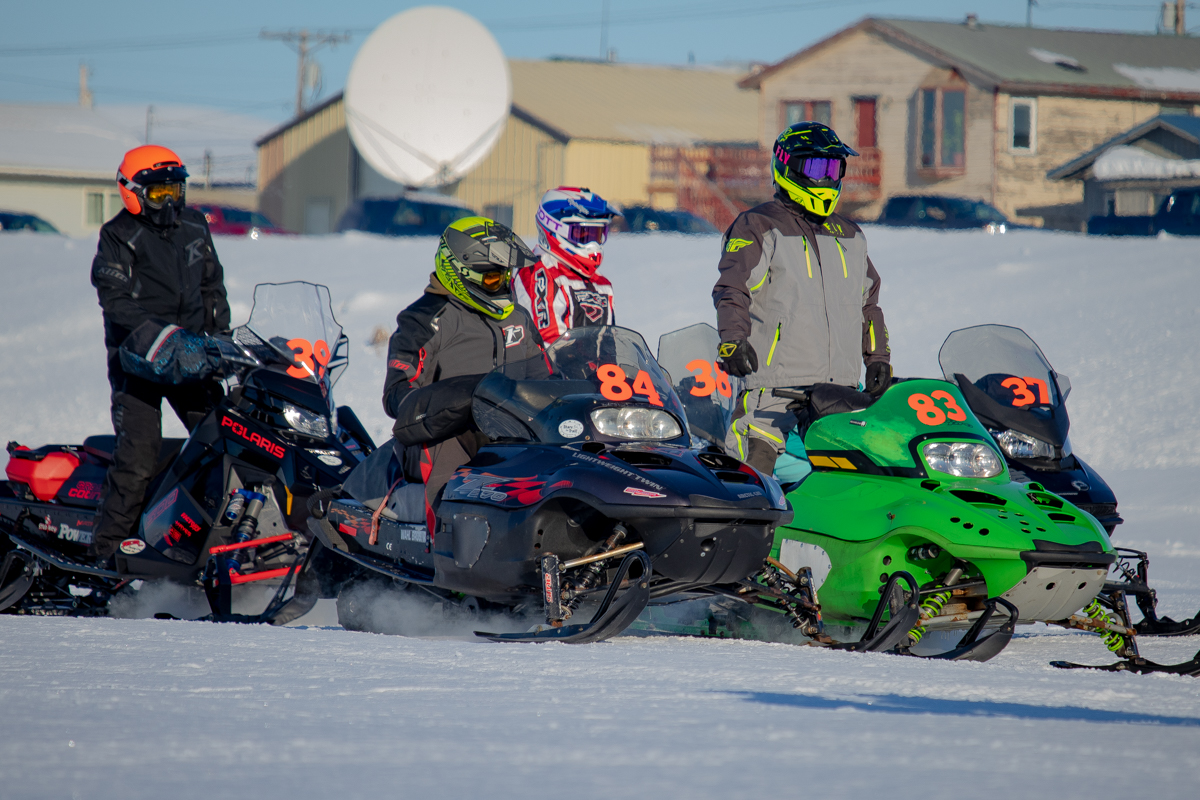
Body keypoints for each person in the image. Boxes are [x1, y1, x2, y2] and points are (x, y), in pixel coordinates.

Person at [712, 122, 891, 474]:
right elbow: (734, 287)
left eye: (833, 168)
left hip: (838, 392)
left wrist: (878, 358)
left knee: (854, 487)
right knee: (752, 482)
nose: (826, 178)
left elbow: (868, 303)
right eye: (815, 167)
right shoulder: (758, 225)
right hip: (775, 389)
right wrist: (733, 340)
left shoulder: (851, 235)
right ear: (787, 167)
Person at [88, 145, 230, 565]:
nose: (169, 200)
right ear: (132, 192)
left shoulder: (194, 226)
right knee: (138, 459)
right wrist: (165, 337)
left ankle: (211, 542)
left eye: (175, 189)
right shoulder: (117, 236)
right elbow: (115, 302)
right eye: (158, 192)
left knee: (225, 441)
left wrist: (219, 342)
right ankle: (104, 559)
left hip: (192, 361)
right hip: (139, 364)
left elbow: (212, 287)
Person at [383, 216, 546, 528]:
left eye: (507, 277)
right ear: (461, 271)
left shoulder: (519, 318)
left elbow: (545, 378)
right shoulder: (425, 319)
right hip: (440, 435)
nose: (503, 286)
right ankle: (444, 544)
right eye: (493, 279)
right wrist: (456, 400)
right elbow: (397, 394)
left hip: (511, 434)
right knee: (446, 441)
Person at [513, 186, 619, 345]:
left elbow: (610, 345)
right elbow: (549, 346)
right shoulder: (537, 272)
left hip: (594, 369)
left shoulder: (600, 283)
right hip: (550, 368)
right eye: (584, 234)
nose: (592, 244)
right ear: (555, 227)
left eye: (597, 235)